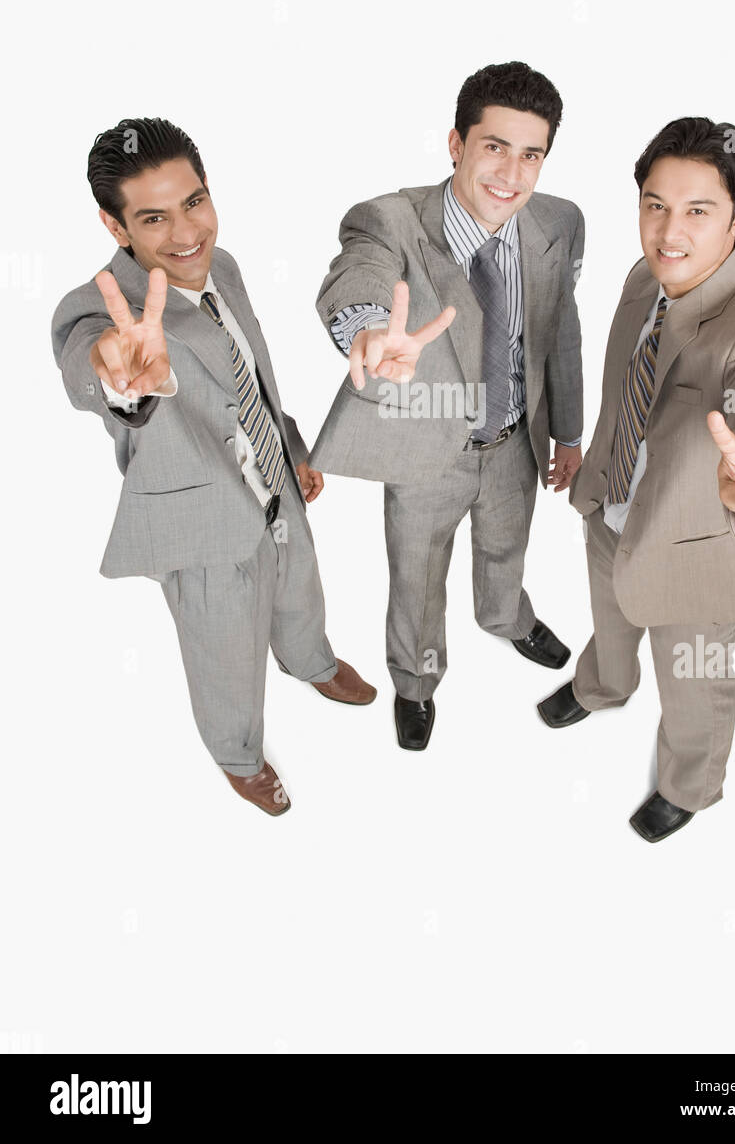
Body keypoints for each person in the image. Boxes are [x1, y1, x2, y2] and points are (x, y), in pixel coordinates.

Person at [51, 118, 374, 816]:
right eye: (153, 218)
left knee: (300, 592)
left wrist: (288, 446)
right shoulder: (97, 309)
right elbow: (90, 365)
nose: (186, 233)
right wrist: (119, 375)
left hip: (275, 488)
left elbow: (251, 375)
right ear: (115, 225)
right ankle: (238, 754)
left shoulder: (220, 266)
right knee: (222, 655)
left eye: (193, 201)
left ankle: (310, 661)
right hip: (201, 525)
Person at [538, 116, 735, 841]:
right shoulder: (647, 274)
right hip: (610, 507)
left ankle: (689, 785)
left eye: (698, 210)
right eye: (654, 205)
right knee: (608, 623)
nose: (669, 231)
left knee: (692, 681)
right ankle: (602, 686)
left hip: (694, 547)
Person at [311, 61, 585, 749]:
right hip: (425, 454)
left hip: (514, 445)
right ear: (456, 144)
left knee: (506, 552)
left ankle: (507, 619)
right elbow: (359, 275)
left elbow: (560, 329)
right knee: (416, 577)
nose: (512, 174)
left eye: (532, 155)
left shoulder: (560, 222)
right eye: (494, 146)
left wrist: (569, 435)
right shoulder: (390, 220)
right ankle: (414, 680)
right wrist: (369, 331)